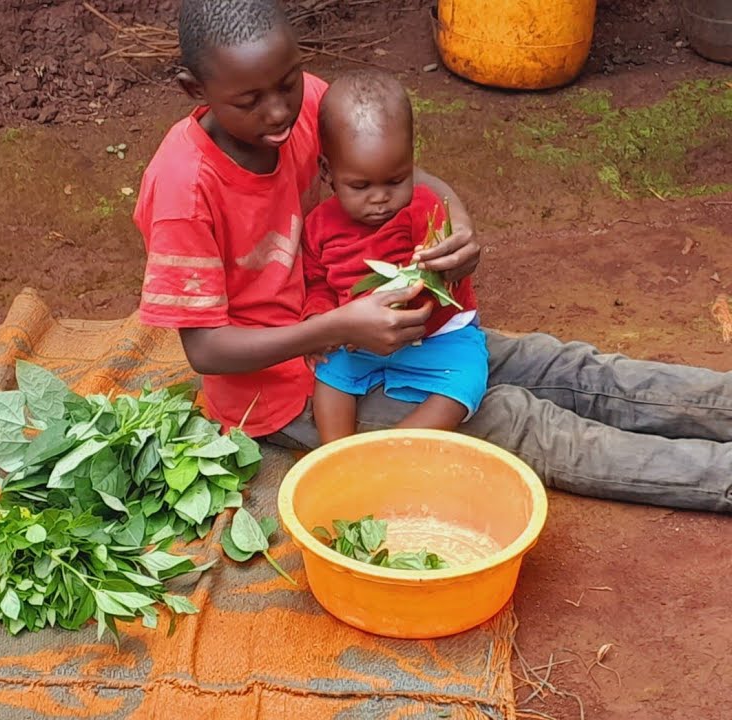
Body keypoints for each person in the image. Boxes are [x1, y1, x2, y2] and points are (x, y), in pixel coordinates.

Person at [133, 0, 732, 514]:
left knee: (566, 366)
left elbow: (398, 171)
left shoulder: (308, 104)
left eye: (289, 83)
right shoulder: (184, 189)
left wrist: (458, 224)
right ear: (195, 90)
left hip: (390, 328)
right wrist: (339, 326)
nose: (280, 111)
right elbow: (205, 350)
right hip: (294, 387)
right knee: (519, 420)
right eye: (251, 100)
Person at [303, 70, 487, 442]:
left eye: (395, 180)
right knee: (329, 379)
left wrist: (430, 275)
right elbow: (318, 282)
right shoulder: (319, 225)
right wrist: (321, 320)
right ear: (327, 172)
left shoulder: (425, 209)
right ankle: (334, 454)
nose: (380, 198)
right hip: (358, 342)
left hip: (435, 337)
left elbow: (446, 275)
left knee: (466, 382)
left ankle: (393, 448)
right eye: (360, 186)